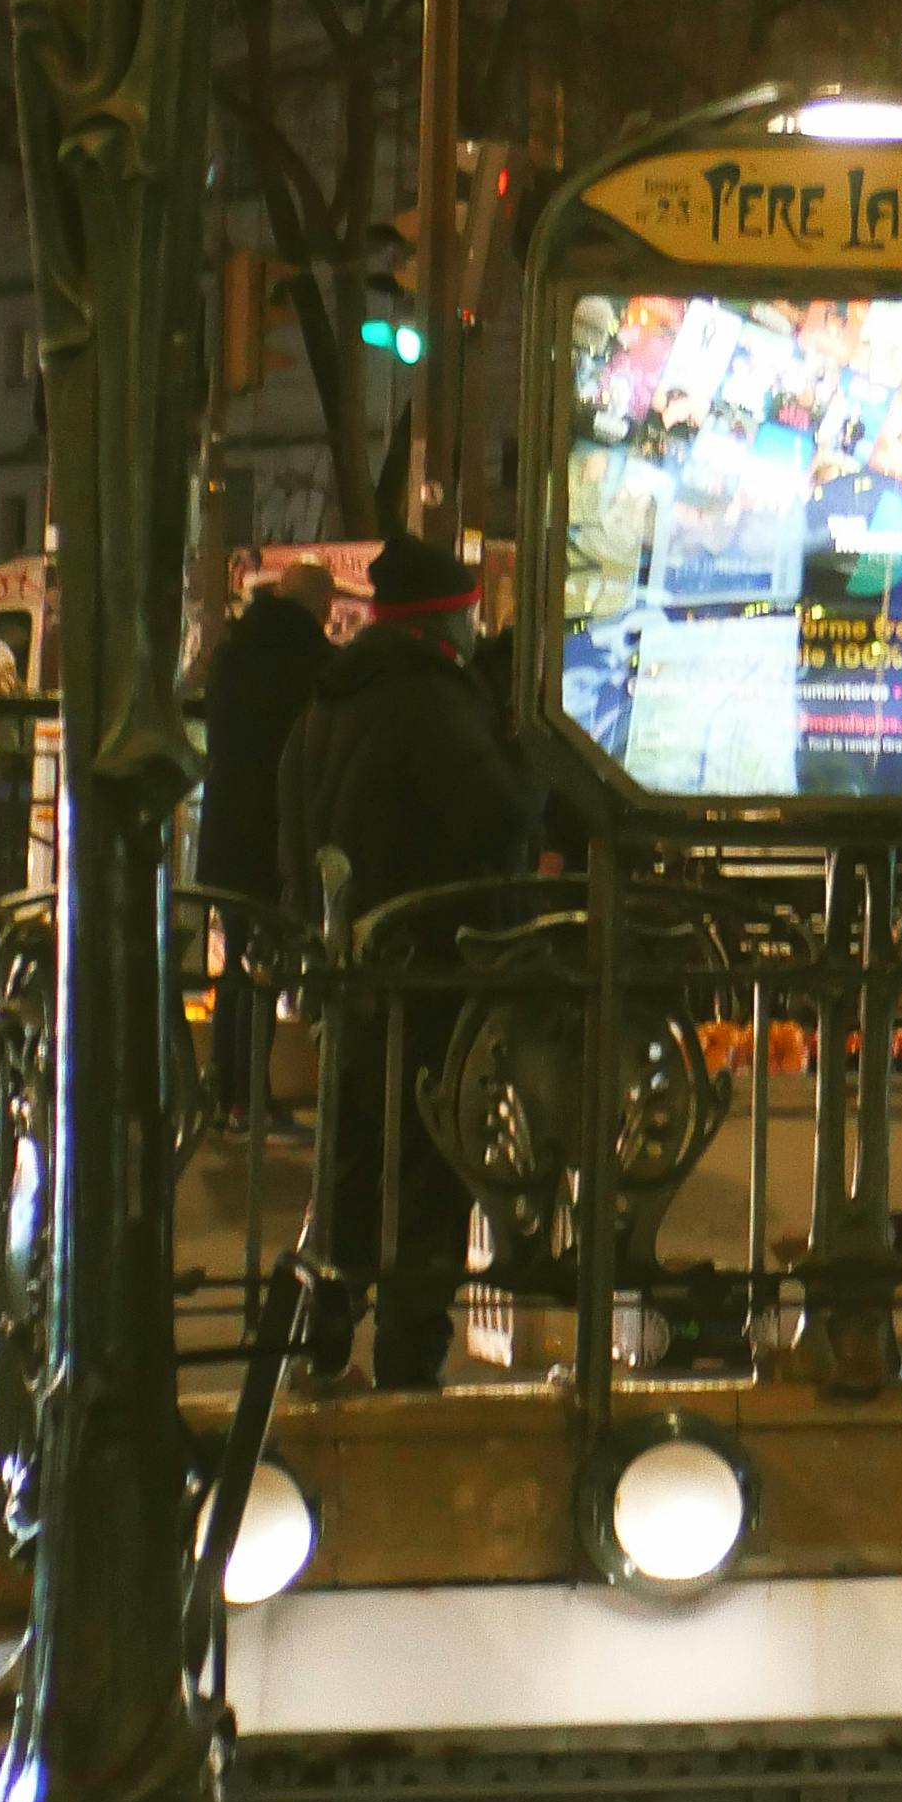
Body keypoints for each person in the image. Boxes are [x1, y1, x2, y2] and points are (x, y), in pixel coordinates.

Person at [279, 536, 533, 1389]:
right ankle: (407, 1363)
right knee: (427, 1174)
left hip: (354, 979)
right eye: (466, 614)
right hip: (433, 979)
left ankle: (319, 1341)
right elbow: (500, 820)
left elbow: (293, 837)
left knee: (349, 1167)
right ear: (446, 620)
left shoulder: (325, 702)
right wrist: (525, 756)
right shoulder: (435, 703)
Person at [196, 553, 336, 1118]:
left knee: (233, 961)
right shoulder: (310, 661)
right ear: (319, 607)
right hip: (274, 832)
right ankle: (251, 1094)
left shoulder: (234, 650)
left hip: (226, 828)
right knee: (268, 963)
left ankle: (224, 1087)